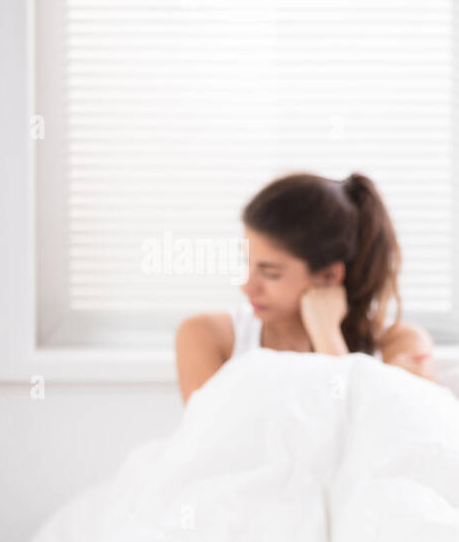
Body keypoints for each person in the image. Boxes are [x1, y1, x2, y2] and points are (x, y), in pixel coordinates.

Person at [175, 172, 436, 401]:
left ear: (328, 275)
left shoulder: (401, 344)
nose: (247, 287)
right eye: (248, 263)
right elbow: (212, 445)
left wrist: (326, 334)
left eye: (270, 272)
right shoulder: (206, 336)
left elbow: (388, 446)